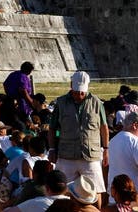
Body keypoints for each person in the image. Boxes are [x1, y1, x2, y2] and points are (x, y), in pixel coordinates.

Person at [48, 72, 108, 204]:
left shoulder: (97, 102)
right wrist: (52, 148)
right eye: (76, 92)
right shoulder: (61, 103)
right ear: (71, 86)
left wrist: (106, 149)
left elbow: (104, 127)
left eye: (82, 92)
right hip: (66, 154)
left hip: (90, 155)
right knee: (64, 190)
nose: (79, 95)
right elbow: (53, 128)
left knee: (95, 189)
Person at [108, 112, 138, 193]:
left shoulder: (112, 141)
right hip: (132, 198)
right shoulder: (135, 141)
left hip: (114, 196)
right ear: (135, 125)